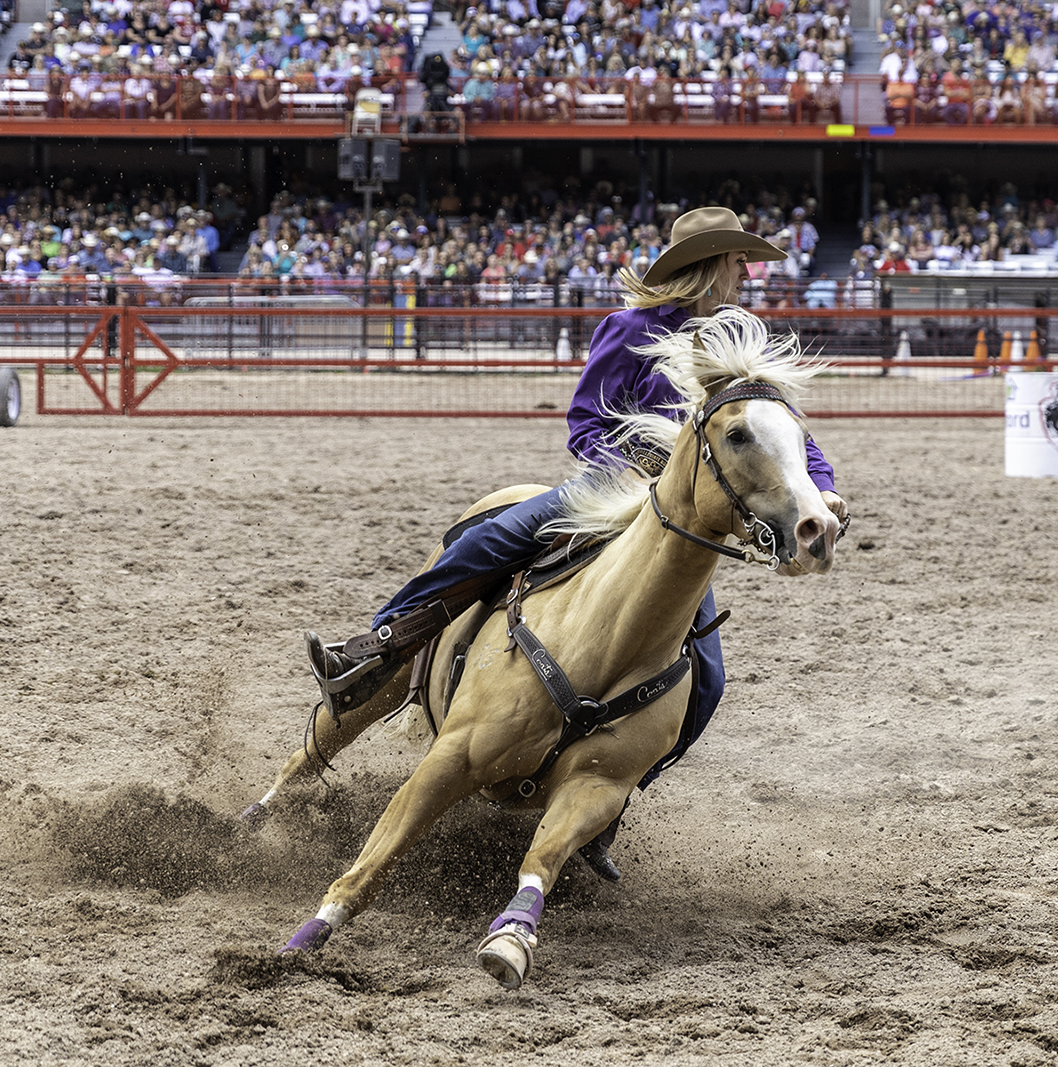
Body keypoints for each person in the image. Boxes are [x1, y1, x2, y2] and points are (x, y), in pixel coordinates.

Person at [305, 207, 849, 878]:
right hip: (610, 490)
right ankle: (379, 645)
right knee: (492, 535)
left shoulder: (738, 343)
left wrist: (822, 489)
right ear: (708, 264)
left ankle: (604, 799)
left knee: (705, 682)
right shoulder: (632, 330)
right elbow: (586, 423)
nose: (746, 269)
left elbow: (786, 438)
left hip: (679, 526)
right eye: (738, 258)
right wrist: (638, 469)